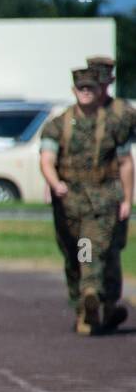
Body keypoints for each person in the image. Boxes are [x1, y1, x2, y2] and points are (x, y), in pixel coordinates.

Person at [39, 66, 133, 334]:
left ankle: (91, 296)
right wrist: (54, 183)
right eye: (82, 88)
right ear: (74, 91)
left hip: (102, 199)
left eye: (91, 88)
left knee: (90, 249)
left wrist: (127, 198)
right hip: (69, 201)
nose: (87, 93)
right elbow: (47, 159)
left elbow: (126, 162)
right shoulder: (59, 124)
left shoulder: (115, 122)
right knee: (73, 254)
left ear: (100, 90)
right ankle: (85, 304)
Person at [87, 55, 134, 325]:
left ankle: (105, 302)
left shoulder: (123, 114)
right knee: (85, 248)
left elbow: (126, 161)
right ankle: (89, 297)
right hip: (82, 197)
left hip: (111, 194)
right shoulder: (77, 113)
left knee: (111, 248)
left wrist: (127, 198)